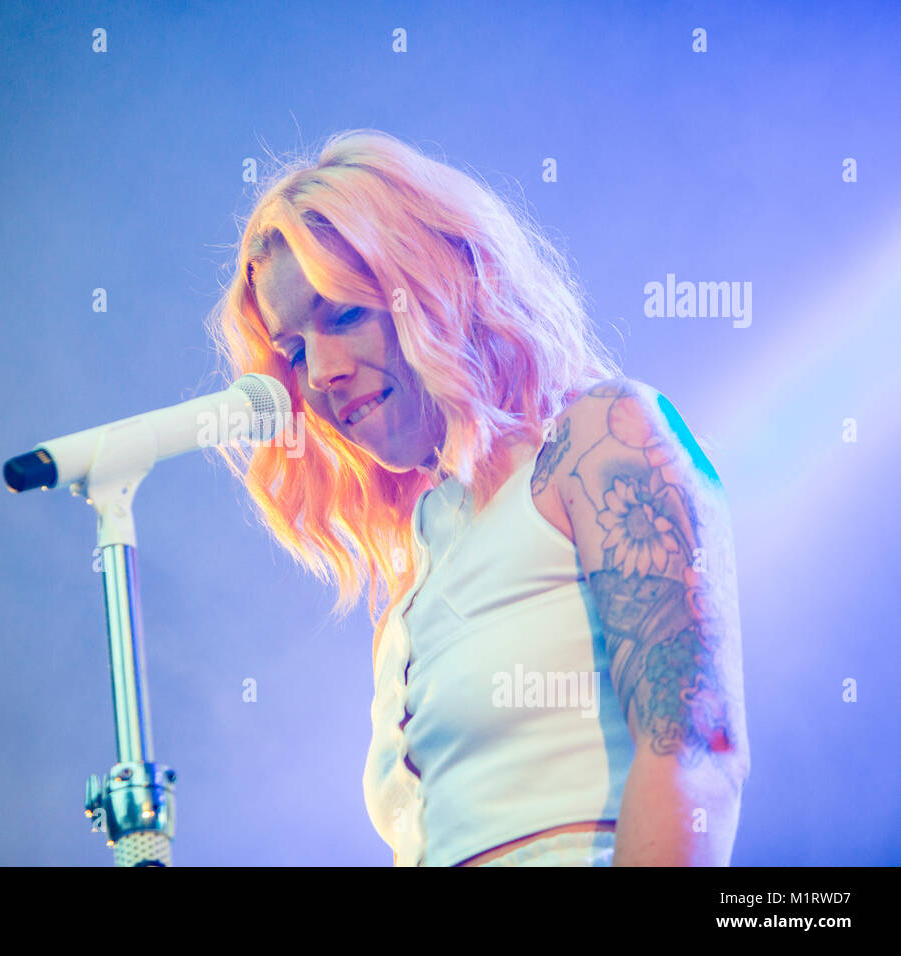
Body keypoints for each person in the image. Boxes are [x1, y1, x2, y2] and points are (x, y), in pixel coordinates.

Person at [203, 129, 750, 866]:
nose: (321, 372)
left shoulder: (601, 439)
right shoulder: (417, 581)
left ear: (437, 282)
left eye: (344, 313)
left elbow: (694, 746)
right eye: (294, 351)